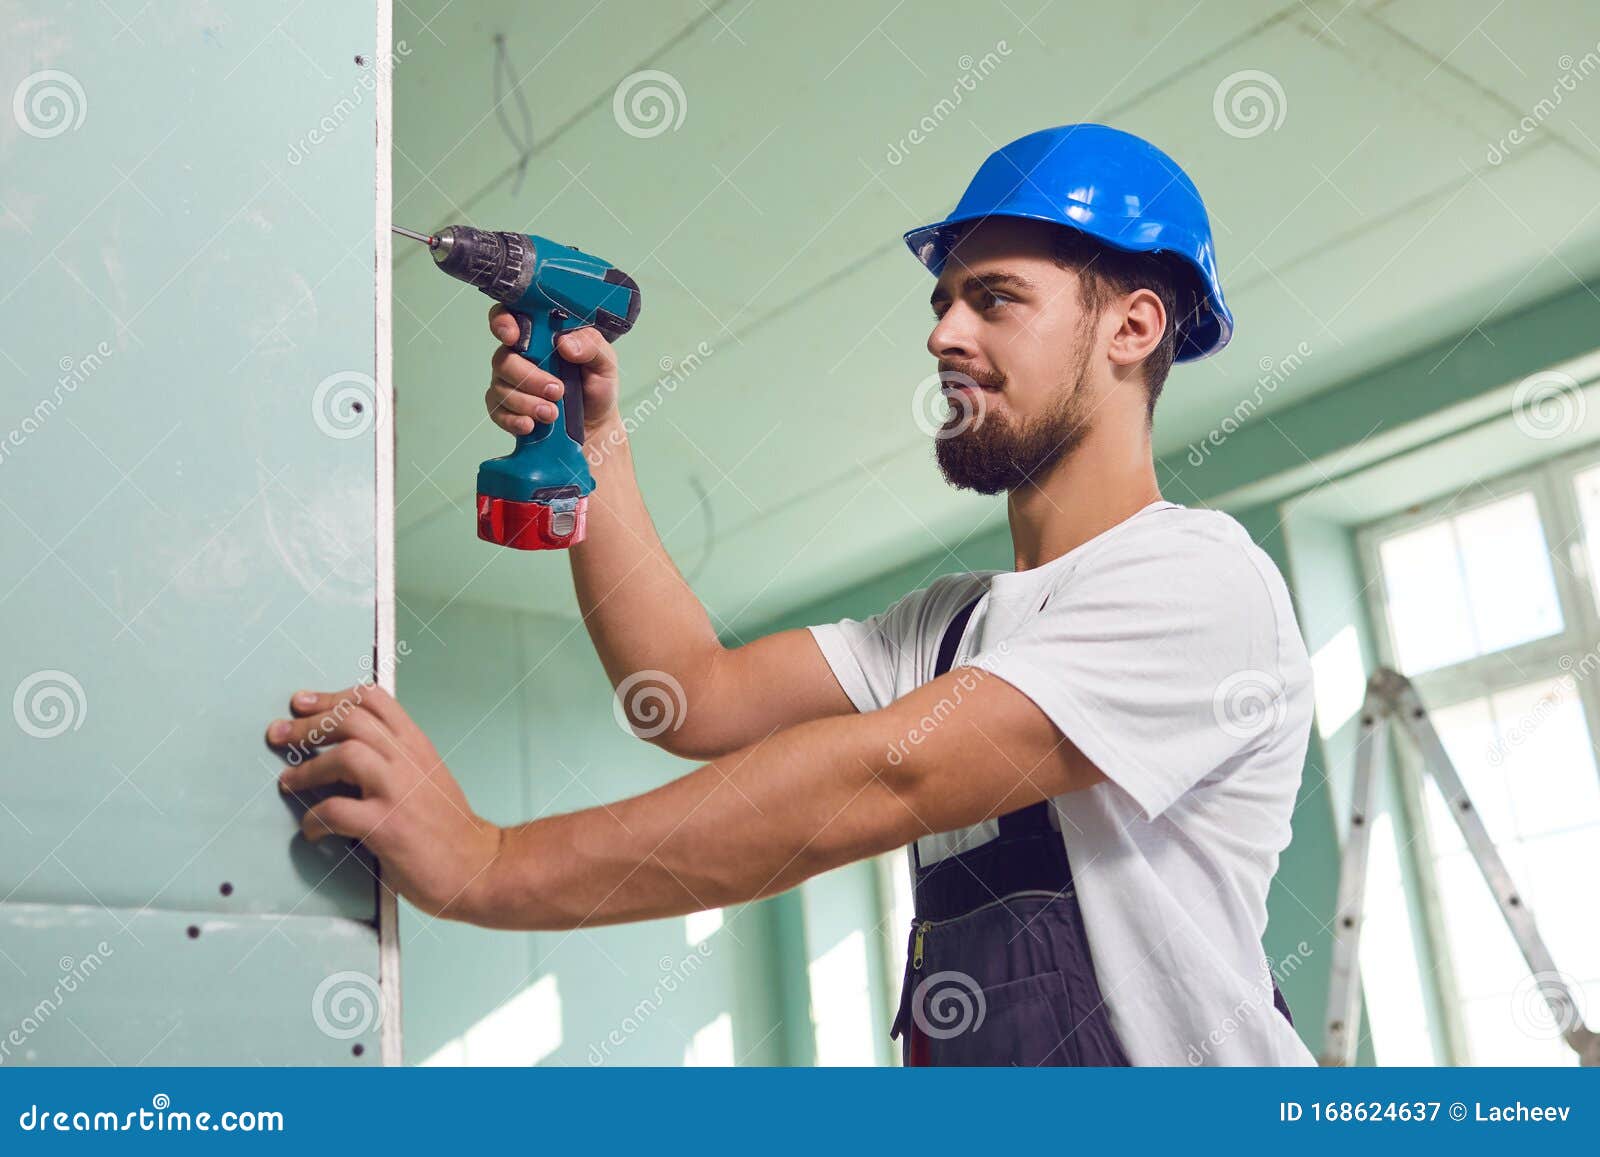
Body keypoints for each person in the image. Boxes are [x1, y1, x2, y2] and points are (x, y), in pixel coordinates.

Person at [268, 123, 1316, 1066]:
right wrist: (596, 440)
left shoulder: (1198, 581)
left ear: (1133, 327)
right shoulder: (946, 629)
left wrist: (488, 862)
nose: (943, 334)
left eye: (993, 298)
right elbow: (687, 693)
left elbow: (891, 773)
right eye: (942, 302)